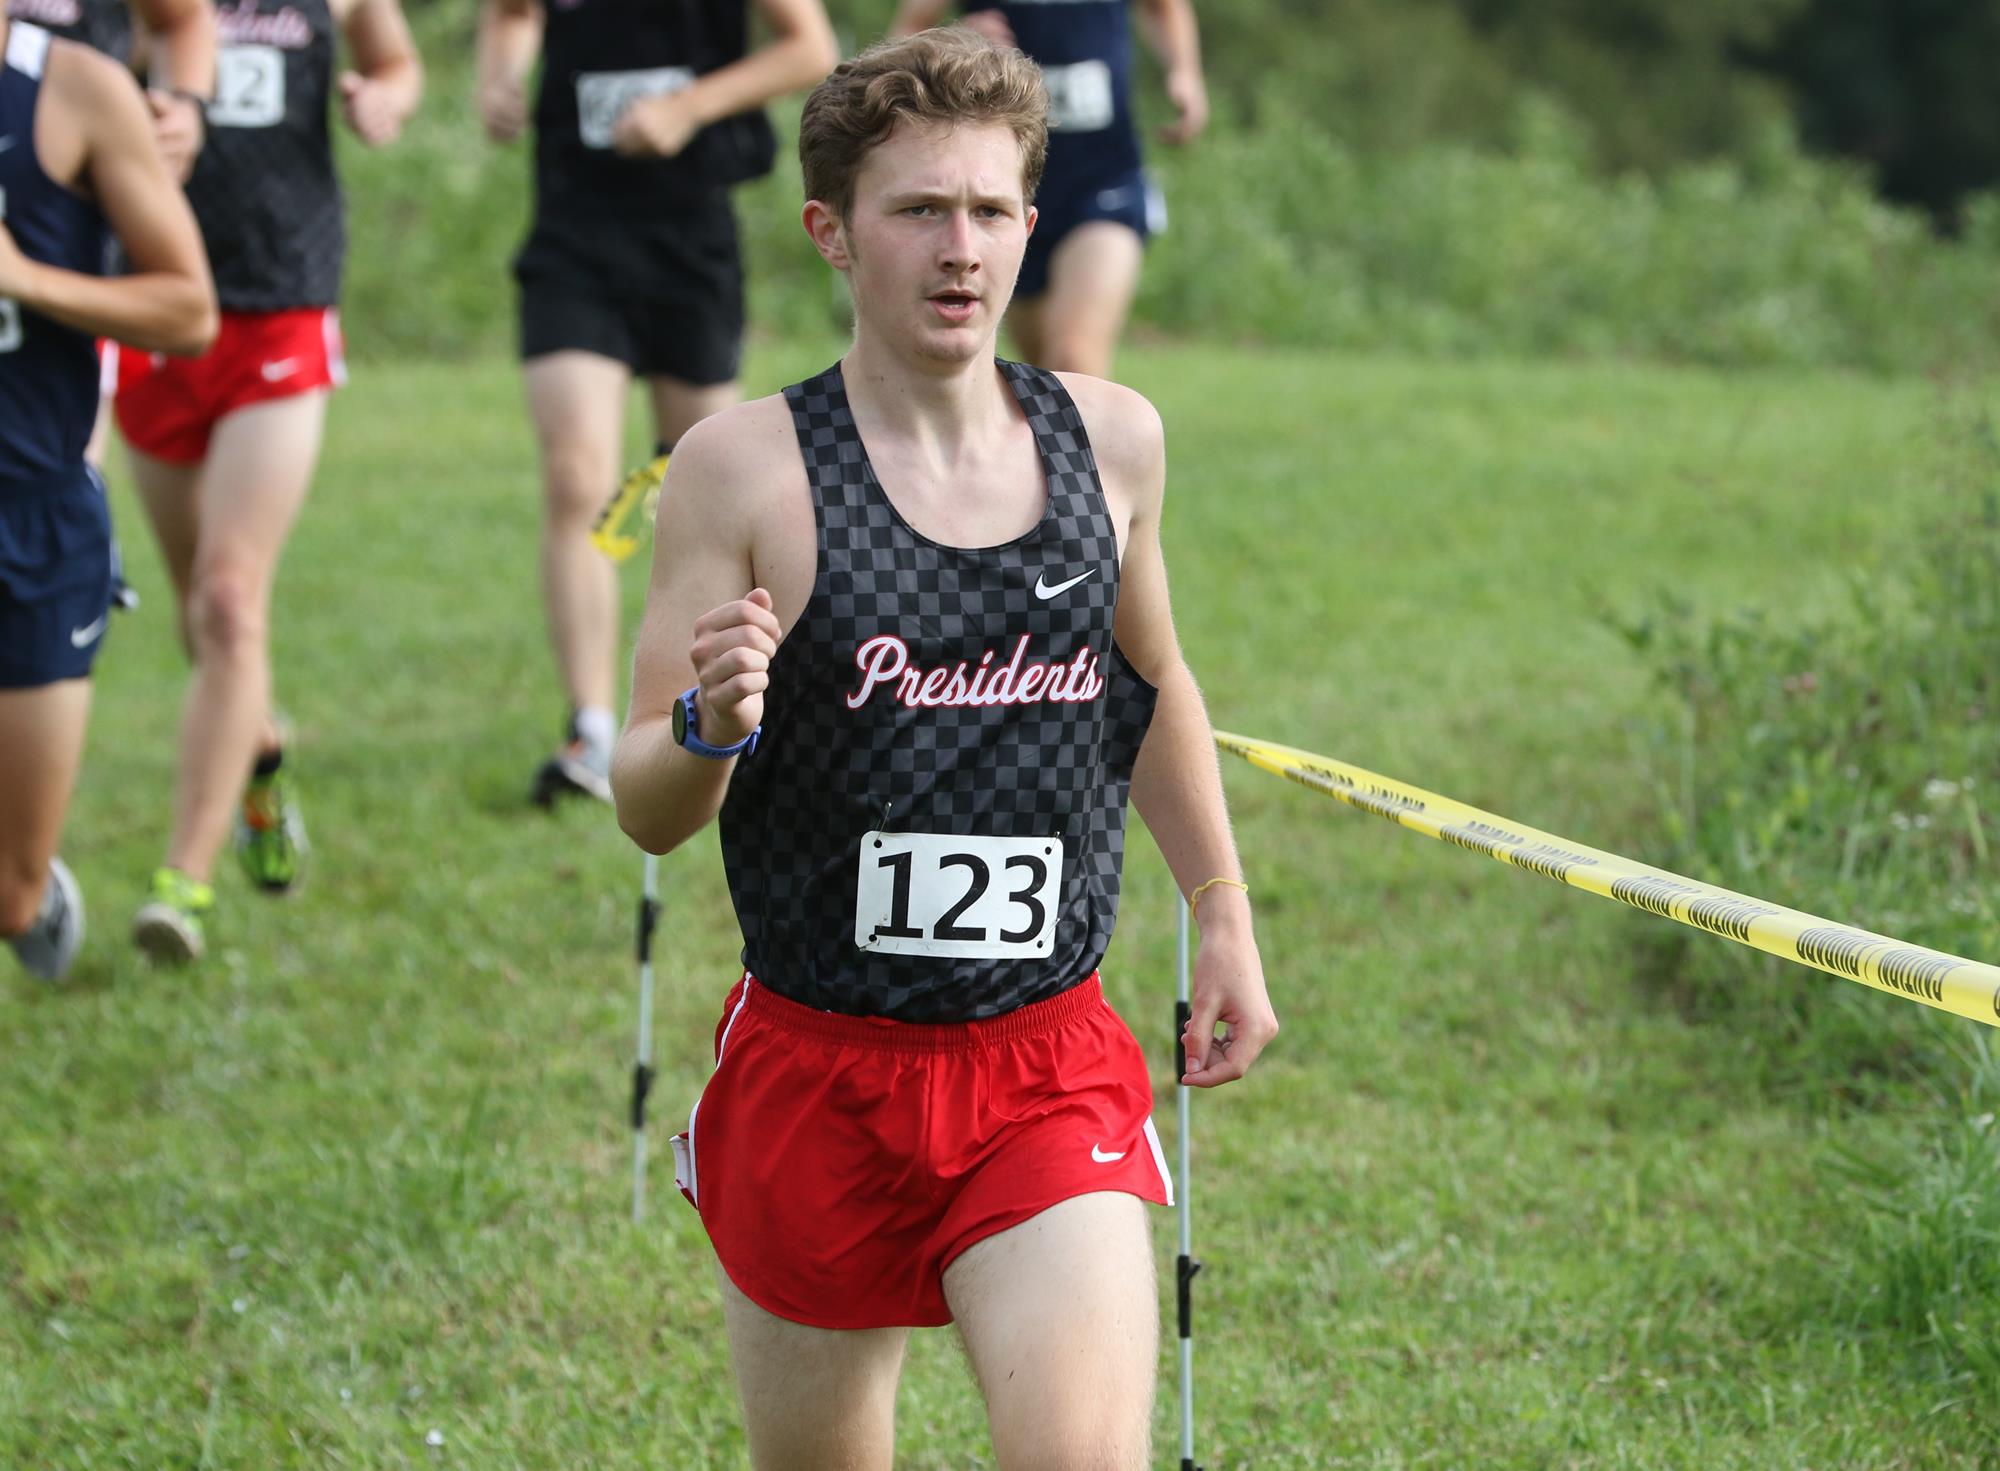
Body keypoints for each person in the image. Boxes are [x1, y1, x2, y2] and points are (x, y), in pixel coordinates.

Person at [611, 29, 1273, 1467]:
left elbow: (1148, 682)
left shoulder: (1113, 441)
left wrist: (1221, 905)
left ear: (1033, 224)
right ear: (832, 234)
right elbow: (643, 806)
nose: (959, 247)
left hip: (1042, 1060)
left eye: (988, 210)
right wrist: (707, 724)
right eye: (918, 210)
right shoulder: (744, 468)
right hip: (816, 1065)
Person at [476, 0, 838, 806]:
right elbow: (510, 15)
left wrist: (688, 107)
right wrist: (498, 76)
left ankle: (717, 714)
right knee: (579, 479)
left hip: (690, 237)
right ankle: (591, 727)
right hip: (573, 234)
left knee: (703, 485)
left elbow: (809, 46)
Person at [120, 0, 420, 963]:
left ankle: (184, 881)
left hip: (282, 307)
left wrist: (385, 99)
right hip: (153, 306)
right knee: (197, 612)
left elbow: (397, 60)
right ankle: (256, 750)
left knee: (226, 599)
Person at [0, 11, 216, 981]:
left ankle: (33, 891)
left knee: (9, 890)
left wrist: (25, 279)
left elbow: (188, 310)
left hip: (34, 518)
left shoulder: (75, 89)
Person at [891, 0, 1207, 379]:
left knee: (1073, 361)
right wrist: (955, 42)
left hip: (1106, 183)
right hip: (1003, 198)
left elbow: (1164, 8)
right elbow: (903, 38)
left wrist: (1184, 73)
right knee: (1046, 380)